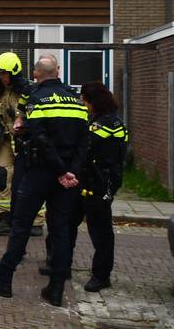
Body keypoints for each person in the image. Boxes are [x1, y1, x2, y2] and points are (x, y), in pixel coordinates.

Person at [0, 55, 90, 307]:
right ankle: (56, 288)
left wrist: (58, 169)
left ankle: (2, 279)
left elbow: (39, 137)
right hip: (67, 178)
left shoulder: (37, 98)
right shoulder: (77, 101)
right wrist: (71, 171)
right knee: (59, 230)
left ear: (37, 73)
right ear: (57, 72)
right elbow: (84, 141)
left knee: (21, 225)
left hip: (39, 172)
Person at [65, 81, 128, 292]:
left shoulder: (106, 125)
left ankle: (101, 275)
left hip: (99, 184)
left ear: (94, 101)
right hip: (86, 182)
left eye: (85, 101)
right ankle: (62, 265)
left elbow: (88, 149)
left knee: (100, 232)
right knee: (67, 223)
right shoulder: (101, 120)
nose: (84, 104)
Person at [0, 52, 45, 237]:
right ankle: (5, 218)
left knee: (31, 180)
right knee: (1, 176)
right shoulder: (0, 93)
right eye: (0, 74)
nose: (2, 77)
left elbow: (36, 117)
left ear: (14, 72)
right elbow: (0, 115)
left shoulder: (29, 91)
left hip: (25, 142)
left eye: (5, 73)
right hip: (6, 141)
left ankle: (36, 221)